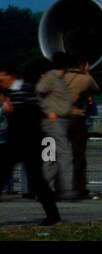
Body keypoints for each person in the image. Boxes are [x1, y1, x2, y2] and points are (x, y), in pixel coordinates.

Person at [0, 64, 61, 225]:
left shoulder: (23, 90)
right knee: (30, 178)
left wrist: (11, 108)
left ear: (9, 75)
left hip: (28, 141)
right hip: (19, 141)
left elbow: (32, 113)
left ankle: (53, 215)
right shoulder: (11, 92)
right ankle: (53, 215)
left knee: (36, 180)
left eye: (2, 77)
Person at [36, 52, 75, 201]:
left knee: (50, 156)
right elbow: (38, 92)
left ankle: (44, 188)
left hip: (59, 121)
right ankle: (66, 189)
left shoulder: (58, 78)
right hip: (54, 122)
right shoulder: (51, 78)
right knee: (63, 155)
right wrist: (48, 111)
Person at [62, 55, 98, 199]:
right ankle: (79, 187)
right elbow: (96, 89)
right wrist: (88, 73)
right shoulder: (85, 78)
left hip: (60, 117)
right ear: (83, 65)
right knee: (79, 154)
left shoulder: (61, 77)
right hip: (77, 118)